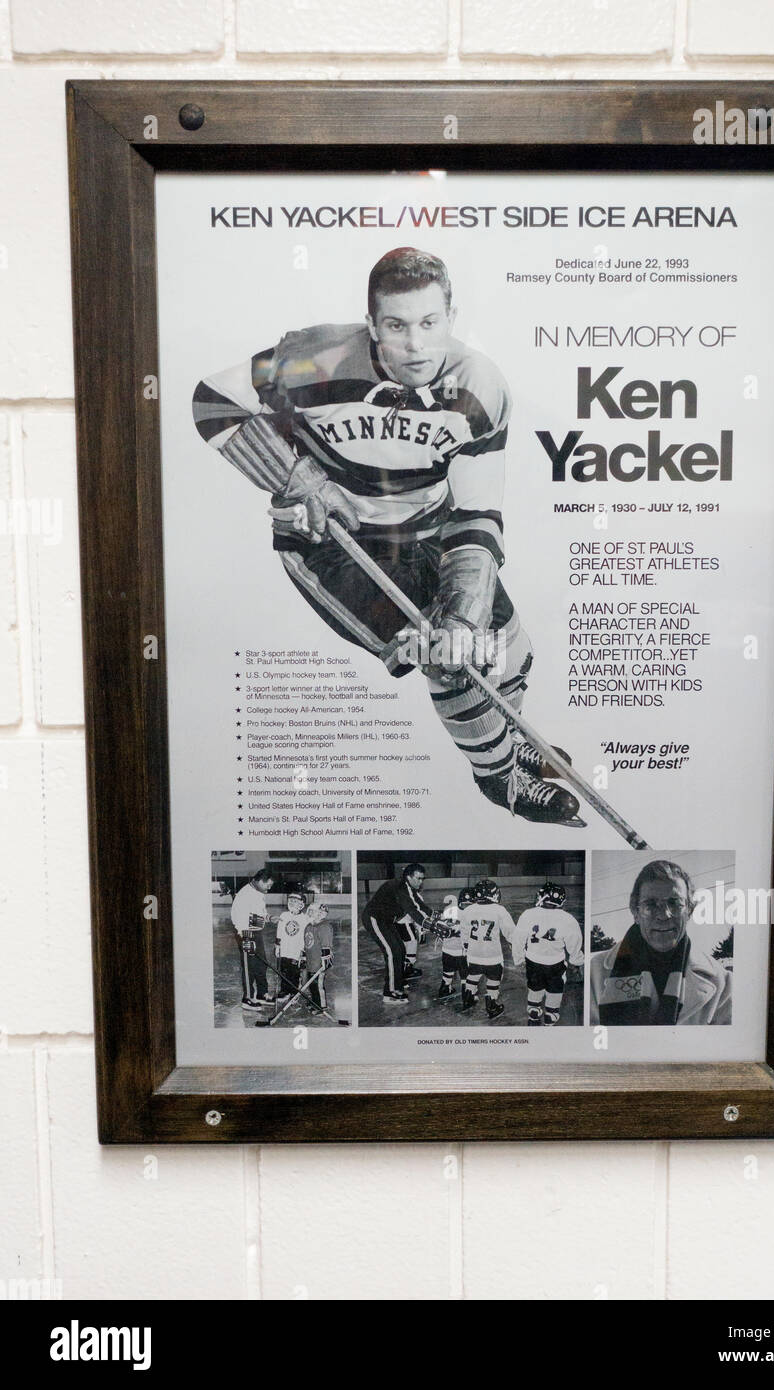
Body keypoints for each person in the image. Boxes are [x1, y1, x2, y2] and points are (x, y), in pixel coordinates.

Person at [192, 246, 580, 826]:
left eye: (430, 324)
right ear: (372, 324)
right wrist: (298, 478)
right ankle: (499, 779)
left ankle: (500, 736)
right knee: (445, 660)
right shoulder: (314, 358)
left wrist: (464, 618)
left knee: (506, 649)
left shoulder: (480, 385)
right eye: (397, 326)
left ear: (452, 317)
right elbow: (213, 401)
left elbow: (475, 513)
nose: (416, 346)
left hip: (425, 533)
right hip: (335, 547)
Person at [590, 860, 732, 1025]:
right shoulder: (594, 974)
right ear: (635, 911)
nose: (664, 915)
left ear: (690, 911)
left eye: (674, 903)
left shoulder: (723, 985)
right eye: (650, 905)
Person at [511, 882, 584, 1026]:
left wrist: (518, 959)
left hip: (533, 961)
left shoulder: (528, 914)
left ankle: (533, 1012)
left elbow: (518, 939)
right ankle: (550, 1015)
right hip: (556, 963)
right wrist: (577, 962)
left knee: (535, 987)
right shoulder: (568, 919)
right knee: (555, 990)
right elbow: (574, 944)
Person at [362, 862, 432, 1002]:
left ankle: (397, 982)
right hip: (375, 919)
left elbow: (419, 904)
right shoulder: (400, 887)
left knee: (400, 950)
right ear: (408, 876)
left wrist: (434, 915)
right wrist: (429, 925)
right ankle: (391, 992)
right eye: (418, 878)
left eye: (422, 879)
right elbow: (412, 910)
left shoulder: (409, 888)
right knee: (392, 951)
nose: (420, 881)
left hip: (388, 921)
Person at [459, 879, 516, 1020]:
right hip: (492, 955)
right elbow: (510, 931)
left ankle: (468, 997)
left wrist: (466, 946)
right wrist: (515, 943)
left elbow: (464, 932)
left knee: (473, 974)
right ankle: (491, 1005)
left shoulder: (468, 910)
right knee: (494, 978)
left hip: (473, 954)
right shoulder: (499, 910)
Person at [229, 867, 276, 1010]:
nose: (269, 888)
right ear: (261, 881)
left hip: (257, 932)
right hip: (246, 933)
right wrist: (245, 937)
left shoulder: (258, 893)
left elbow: (260, 913)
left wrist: (269, 917)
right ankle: (247, 998)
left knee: (262, 964)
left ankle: (262, 994)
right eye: (268, 885)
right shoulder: (245, 894)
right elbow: (237, 916)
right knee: (249, 966)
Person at [435, 886, 473, 1000]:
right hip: (462, 952)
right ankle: (467, 997)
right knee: (465, 975)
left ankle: (445, 988)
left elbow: (440, 929)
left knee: (448, 971)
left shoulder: (449, 910)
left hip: (446, 950)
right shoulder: (472, 915)